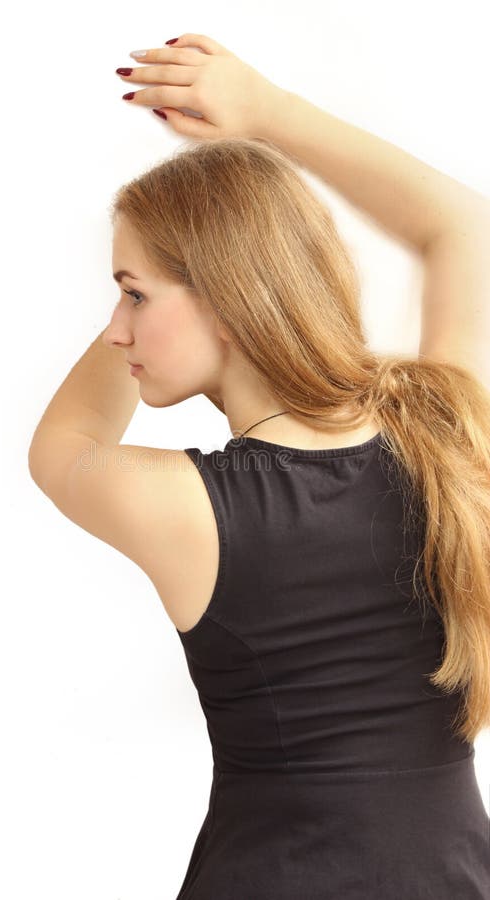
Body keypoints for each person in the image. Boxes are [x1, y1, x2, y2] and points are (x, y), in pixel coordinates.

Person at [29, 32, 490, 898]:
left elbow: (62, 449)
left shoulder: (193, 509)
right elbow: (462, 225)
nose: (119, 328)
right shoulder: (446, 433)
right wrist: (267, 113)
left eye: (132, 293)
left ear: (229, 300)